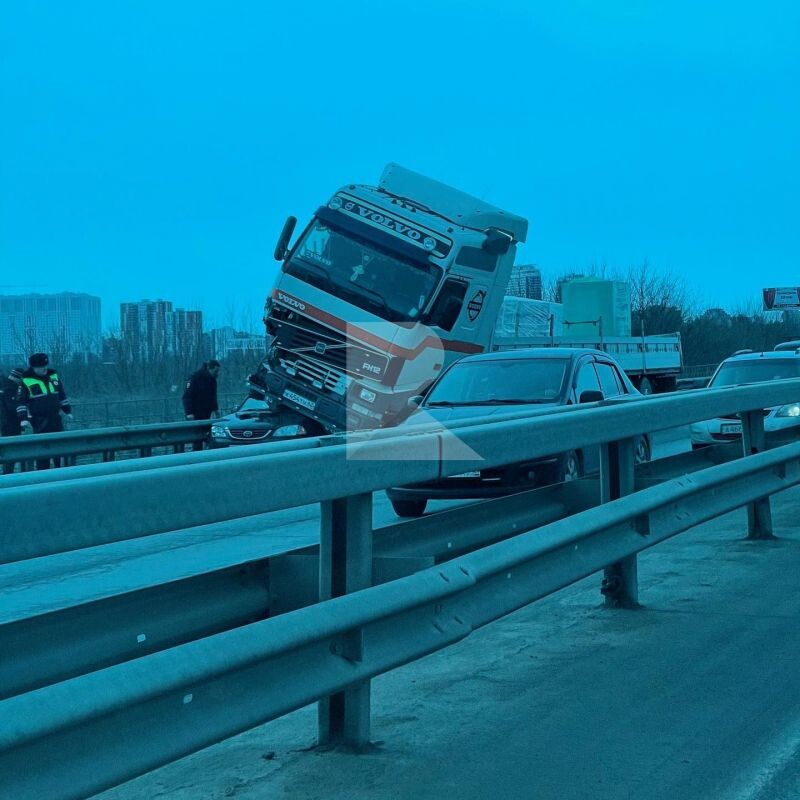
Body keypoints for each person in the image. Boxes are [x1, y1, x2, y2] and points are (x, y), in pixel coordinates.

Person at [16, 352, 73, 470]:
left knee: (59, 450)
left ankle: (61, 474)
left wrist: (67, 411)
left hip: (56, 419)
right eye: (41, 367)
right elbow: (21, 401)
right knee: (42, 452)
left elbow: (61, 395)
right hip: (40, 421)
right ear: (34, 367)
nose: (44, 369)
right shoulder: (26, 380)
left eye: (45, 366)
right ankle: (43, 475)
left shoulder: (53, 376)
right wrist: (23, 419)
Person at [0, 367, 25, 475]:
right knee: (11, 451)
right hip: (10, 424)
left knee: (8, 450)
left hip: (4, 423)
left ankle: (7, 472)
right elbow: (12, 407)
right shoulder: (11, 387)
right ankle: (7, 474)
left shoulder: (3, 384)